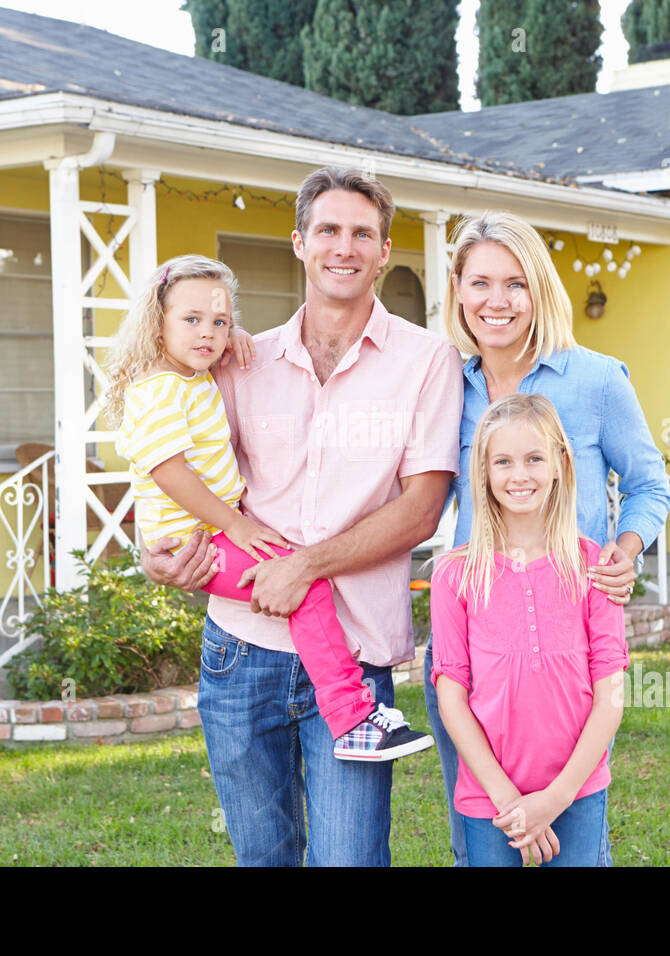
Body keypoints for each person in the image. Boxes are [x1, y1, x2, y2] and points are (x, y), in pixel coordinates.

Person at [139, 167, 463, 866]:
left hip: (354, 655)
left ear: (383, 252)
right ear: (299, 242)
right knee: (264, 858)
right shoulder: (236, 359)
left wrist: (306, 567)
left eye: (362, 234)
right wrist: (157, 555)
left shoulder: (427, 360)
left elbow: (421, 509)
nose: (343, 247)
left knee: (350, 859)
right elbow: (181, 472)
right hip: (240, 649)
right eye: (328, 230)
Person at [105, 253, 433, 762]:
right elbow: (169, 472)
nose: (206, 333)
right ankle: (352, 719)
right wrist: (234, 525)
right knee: (306, 586)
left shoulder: (193, 376)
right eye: (191, 320)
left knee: (302, 580)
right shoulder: (158, 391)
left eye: (219, 321)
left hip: (213, 530)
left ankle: (351, 713)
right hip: (198, 539)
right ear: (157, 322)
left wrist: (230, 342)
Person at [423, 211, 670, 865]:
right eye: (479, 283)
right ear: (457, 290)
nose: (496, 301)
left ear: (540, 290)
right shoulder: (444, 386)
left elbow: (650, 484)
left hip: (569, 647)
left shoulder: (594, 380)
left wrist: (625, 549)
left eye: (515, 283)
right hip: (476, 653)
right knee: (481, 840)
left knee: (577, 830)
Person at [431, 393, 629, 866]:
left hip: (575, 792)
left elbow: (611, 696)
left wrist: (554, 799)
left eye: (534, 459)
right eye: (503, 461)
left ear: (560, 463)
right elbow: (451, 698)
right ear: (483, 471)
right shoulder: (454, 575)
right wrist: (508, 801)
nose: (519, 475)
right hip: (490, 801)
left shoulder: (594, 567)